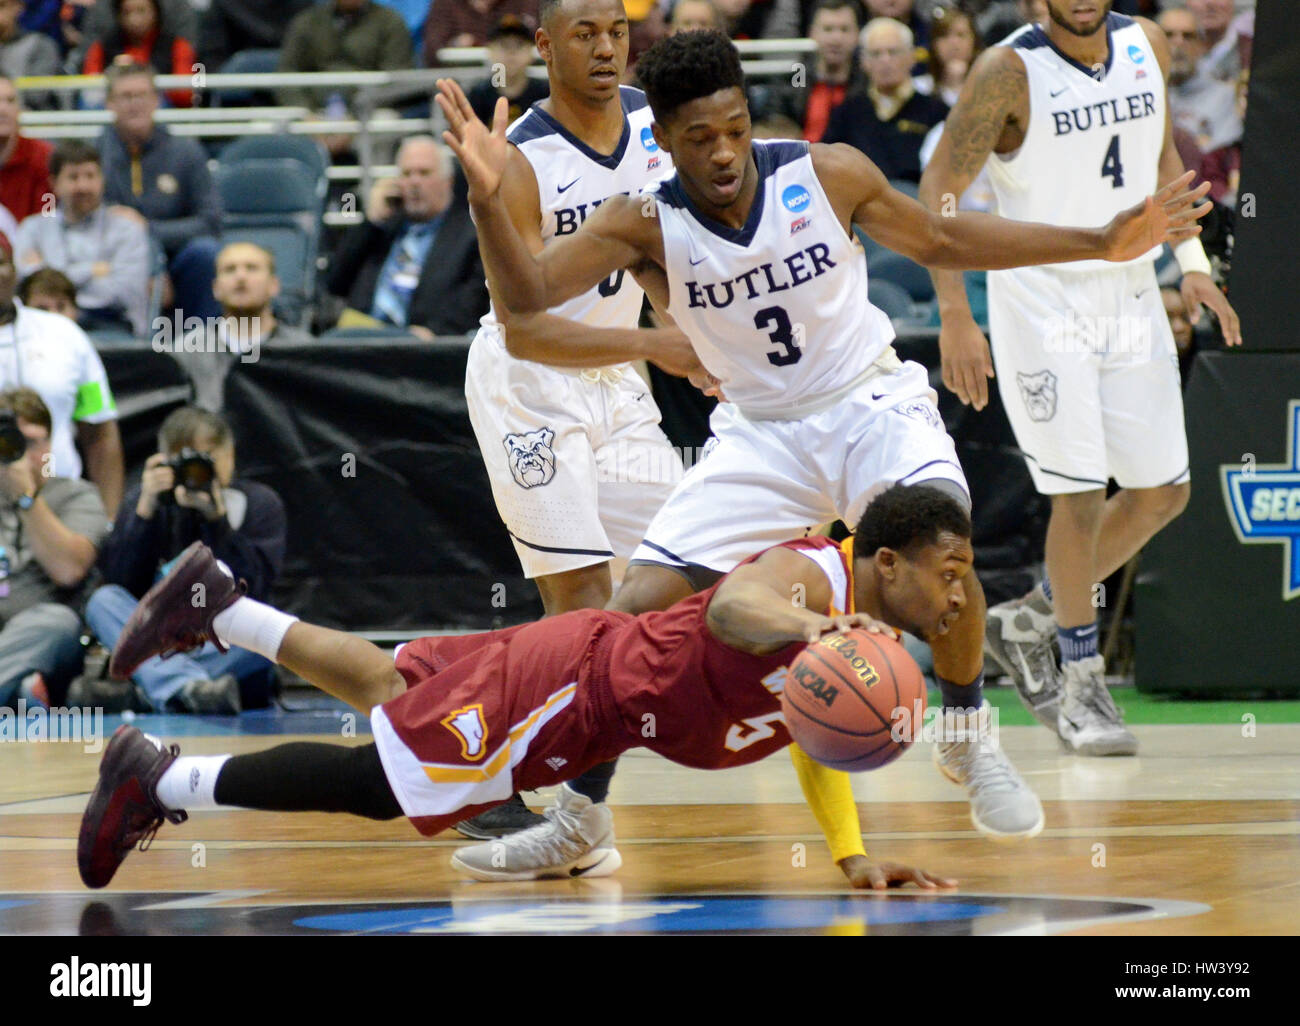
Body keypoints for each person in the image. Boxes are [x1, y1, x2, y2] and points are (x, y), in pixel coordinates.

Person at [435, 26, 1207, 877]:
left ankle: (965, 736)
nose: (724, 152)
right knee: (625, 617)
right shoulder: (642, 222)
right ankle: (582, 818)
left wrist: (1100, 240)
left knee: (945, 549)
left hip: (866, 401)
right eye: (699, 139)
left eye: (734, 128)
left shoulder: (825, 170)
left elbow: (942, 242)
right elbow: (527, 302)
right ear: (665, 140)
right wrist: (484, 200)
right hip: (759, 434)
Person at [80, 483, 968, 891]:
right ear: (886, 561)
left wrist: (851, 856)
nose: (960, 594)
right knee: (389, 786)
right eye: (951, 571)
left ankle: (219, 607)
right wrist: (811, 627)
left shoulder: (850, 631)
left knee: (397, 686)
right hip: (575, 694)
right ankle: (156, 777)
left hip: (584, 680)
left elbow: (813, 735)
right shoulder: (815, 580)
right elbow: (736, 605)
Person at [918, 0, 1240, 756]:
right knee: (1080, 493)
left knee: (1165, 490)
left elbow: (1163, 162)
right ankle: (1080, 674)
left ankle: (1027, 618)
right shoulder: (1009, 70)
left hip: (1129, 288)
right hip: (1041, 294)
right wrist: (955, 314)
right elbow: (937, 192)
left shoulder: (1147, 43)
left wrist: (1190, 267)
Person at [452, 0, 714, 844]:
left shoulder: (652, 125)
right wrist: (661, 343)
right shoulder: (519, 157)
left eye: (616, 34)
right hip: (528, 381)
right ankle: (501, 777)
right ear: (543, 46)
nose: (605, 50)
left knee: (663, 585)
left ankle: (558, 784)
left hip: (620, 379)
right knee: (577, 597)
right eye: (583, 36)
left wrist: (701, 343)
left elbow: (659, 248)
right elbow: (524, 318)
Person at [80, 406, 287, 714]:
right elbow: (120, 584)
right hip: (158, 638)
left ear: (229, 456)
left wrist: (218, 520)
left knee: (274, 634)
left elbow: (254, 588)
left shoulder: (258, 503)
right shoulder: (147, 502)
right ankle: (190, 689)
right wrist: (144, 513)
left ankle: (158, 687)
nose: (196, 473)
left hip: (223, 640)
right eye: (186, 463)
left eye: (207, 460)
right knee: (102, 601)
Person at [0, 387, 107, 711]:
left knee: (56, 621)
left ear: (49, 444)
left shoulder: (77, 495)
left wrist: (26, 499)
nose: (22, 453)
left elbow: (69, 569)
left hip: (46, 637)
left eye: (32, 442)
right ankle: (19, 692)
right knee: (25, 688)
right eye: (10, 442)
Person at [0, 238, 123, 518]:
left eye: (0, 263)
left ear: (14, 272)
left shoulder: (65, 335)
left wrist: (109, 522)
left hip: (61, 499)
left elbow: (100, 429)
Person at [98, 62, 222, 324]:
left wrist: (147, 231)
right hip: (113, 260)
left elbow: (210, 221)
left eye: (141, 95)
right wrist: (143, 269)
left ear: (157, 100)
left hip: (177, 259)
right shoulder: (94, 156)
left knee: (206, 253)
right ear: (109, 103)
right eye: (125, 96)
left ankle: (202, 343)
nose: (134, 104)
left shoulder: (187, 152)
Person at [327, 137, 488, 338]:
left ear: (448, 182)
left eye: (424, 173)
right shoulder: (383, 228)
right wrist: (372, 221)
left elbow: (474, 302)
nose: (414, 182)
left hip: (421, 345)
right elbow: (335, 283)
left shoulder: (470, 235)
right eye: (406, 173)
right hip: (362, 337)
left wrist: (437, 332)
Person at [14, 139, 151, 336]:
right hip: (42, 327)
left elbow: (125, 293)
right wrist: (92, 270)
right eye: (73, 177)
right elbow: (25, 289)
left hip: (109, 324)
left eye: (90, 176)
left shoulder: (127, 229)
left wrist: (48, 273)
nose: (83, 186)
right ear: (54, 183)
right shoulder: (33, 229)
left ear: (102, 179)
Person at [175, 242, 315, 411]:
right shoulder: (186, 350)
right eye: (230, 269)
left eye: (252, 268)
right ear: (216, 288)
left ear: (274, 285)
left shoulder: (303, 351)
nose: (240, 277)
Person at [823, 17, 948, 184]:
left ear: (912, 57)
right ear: (864, 61)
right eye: (876, 53)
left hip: (919, 203)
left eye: (893, 52)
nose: (885, 61)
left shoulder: (938, 112)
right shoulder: (846, 113)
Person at [277, 0, 412, 112]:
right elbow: (287, 73)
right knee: (271, 125)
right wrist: (306, 114)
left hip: (370, 111)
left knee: (386, 121)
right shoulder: (306, 22)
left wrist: (358, 113)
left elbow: (396, 78)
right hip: (313, 110)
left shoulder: (390, 22)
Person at [760, 0, 863, 143]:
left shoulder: (868, 81)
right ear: (812, 33)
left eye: (844, 29)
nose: (836, 39)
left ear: (857, 35)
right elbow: (774, 119)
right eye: (828, 29)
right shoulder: (796, 76)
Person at [81, 0, 198, 108]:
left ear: (155, 12)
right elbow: (90, 91)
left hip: (163, 113)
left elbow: (186, 94)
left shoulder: (177, 46)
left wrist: (147, 84)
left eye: (141, 11)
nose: (134, 19)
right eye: (127, 12)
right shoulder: (102, 47)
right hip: (113, 113)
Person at [1158, 6, 1240, 157]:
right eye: (1169, 35)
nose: (1178, 42)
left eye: (1188, 36)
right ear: (1154, 43)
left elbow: (1222, 157)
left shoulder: (1224, 95)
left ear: (1202, 45)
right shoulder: (1142, 91)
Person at [467, 14, 549, 127]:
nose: (511, 53)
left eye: (519, 45)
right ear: (490, 50)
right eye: (503, 45)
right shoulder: (479, 95)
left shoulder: (545, 93)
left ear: (531, 51)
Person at [0, 76, 52, 222]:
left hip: (32, 243)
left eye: (10, 101)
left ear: (19, 109)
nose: (3, 110)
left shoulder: (43, 157)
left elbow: (49, 217)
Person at [423, 0, 540, 65]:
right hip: (463, 86)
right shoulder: (446, 4)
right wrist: (454, 46)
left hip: (521, 88)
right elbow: (431, 52)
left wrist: (512, 43)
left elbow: (542, 42)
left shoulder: (526, 3)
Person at [914, 4, 980, 108]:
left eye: (961, 35)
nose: (953, 43)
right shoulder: (919, 88)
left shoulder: (989, 86)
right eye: (944, 35)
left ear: (974, 41)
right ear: (933, 44)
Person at [0, 0, 60, 110]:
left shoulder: (40, 44)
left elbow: (36, 96)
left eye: (1, 6)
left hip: (29, 120)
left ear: (18, 7)